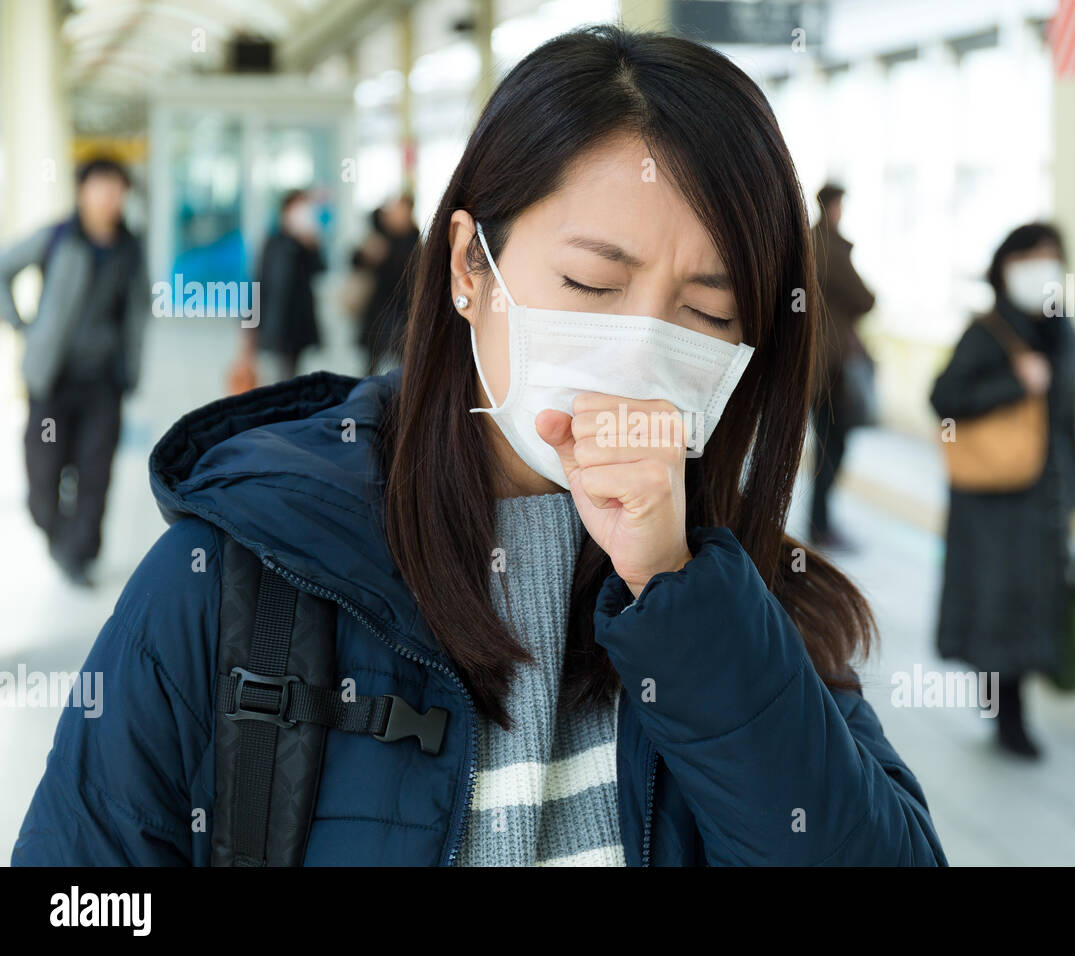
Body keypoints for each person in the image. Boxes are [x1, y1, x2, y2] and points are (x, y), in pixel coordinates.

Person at [12, 25, 946, 866]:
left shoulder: (742, 602)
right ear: (469, 266)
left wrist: (675, 589)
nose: (636, 352)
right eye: (590, 282)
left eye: (706, 312)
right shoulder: (228, 580)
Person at [929, 222, 1075, 760]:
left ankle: (1010, 711)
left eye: (1053, 257)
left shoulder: (1064, 332)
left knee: (1033, 602)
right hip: (992, 500)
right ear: (1006, 266)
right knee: (998, 605)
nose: (1045, 268)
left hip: (1044, 495)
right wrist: (1016, 382)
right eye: (1032, 256)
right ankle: (1008, 717)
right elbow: (942, 396)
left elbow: (1068, 420)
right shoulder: (991, 331)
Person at [0, 156, 149, 587]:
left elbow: (138, 310)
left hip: (104, 382)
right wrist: (23, 326)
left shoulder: (131, 248)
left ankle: (79, 555)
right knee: (43, 480)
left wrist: (131, 365)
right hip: (54, 382)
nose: (108, 197)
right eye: (99, 187)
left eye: (116, 187)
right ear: (81, 191)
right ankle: (58, 534)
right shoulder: (57, 238)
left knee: (95, 473)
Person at [809, 182, 876, 550]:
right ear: (832, 206)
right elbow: (865, 298)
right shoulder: (830, 246)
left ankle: (819, 523)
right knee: (831, 448)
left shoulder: (807, 242)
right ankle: (820, 526)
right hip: (831, 368)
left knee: (825, 447)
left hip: (815, 367)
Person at [242, 188, 325, 382]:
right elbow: (260, 282)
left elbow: (321, 270)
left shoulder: (308, 243)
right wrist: (249, 323)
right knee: (282, 371)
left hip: (300, 321)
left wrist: (312, 244)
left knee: (292, 369)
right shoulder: (273, 242)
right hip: (277, 319)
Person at [351, 193, 420, 374]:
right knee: (371, 363)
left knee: (403, 364)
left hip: (402, 311)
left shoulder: (413, 238)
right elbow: (355, 261)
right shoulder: (380, 235)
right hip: (378, 308)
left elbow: (411, 272)